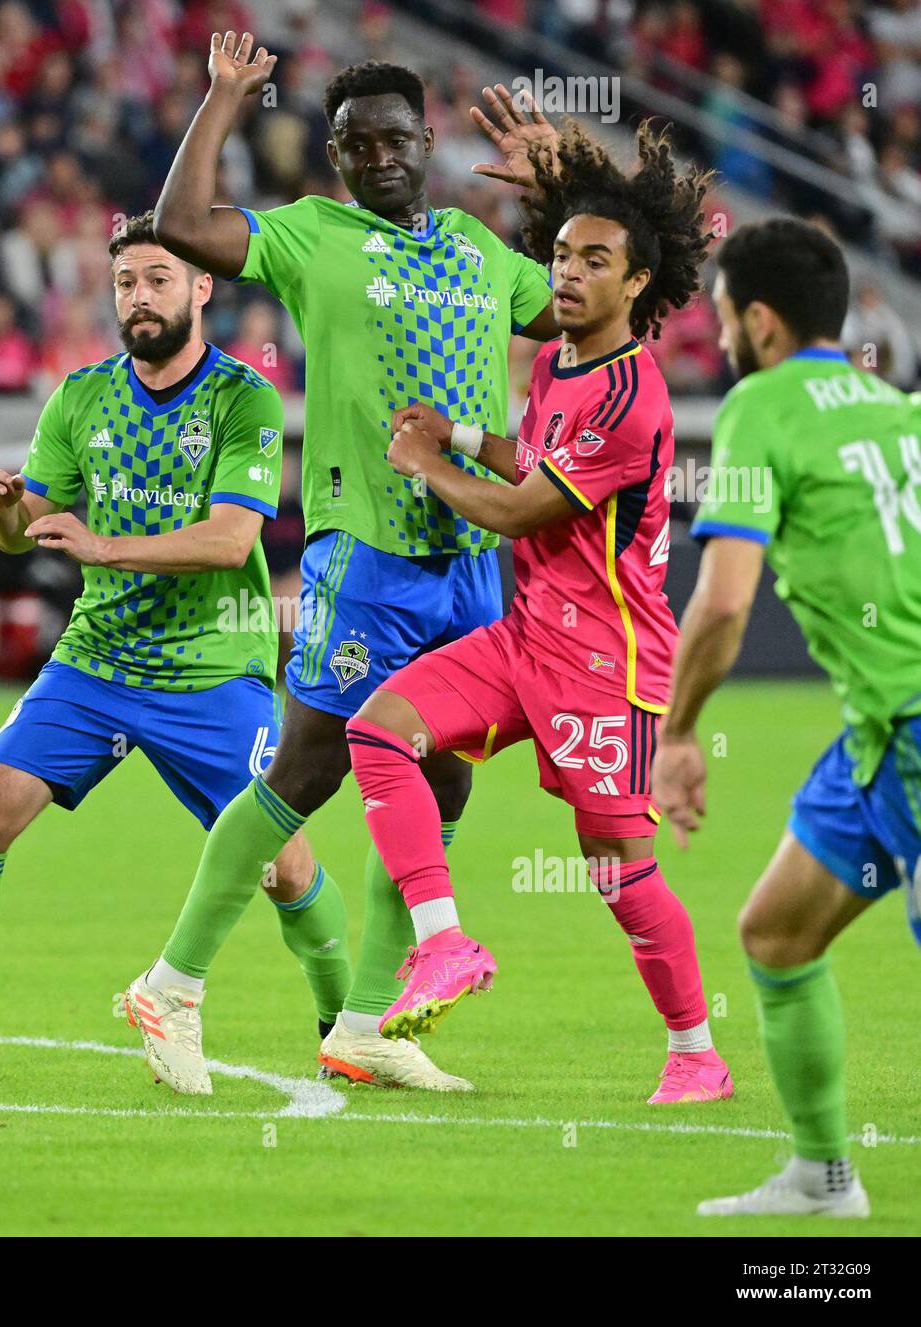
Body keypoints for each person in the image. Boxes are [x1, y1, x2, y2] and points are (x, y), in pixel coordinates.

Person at [0, 213, 349, 1093]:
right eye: (127, 281)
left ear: (202, 287)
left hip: (211, 665)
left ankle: (343, 1022)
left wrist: (104, 547)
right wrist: (5, 512)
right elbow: (31, 533)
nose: (140, 296)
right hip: (98, 658)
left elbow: (226, 539)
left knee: (283, 863)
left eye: (159, 279)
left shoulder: (242, 399)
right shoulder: (81, 396)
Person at [130, 30, 562, 1092]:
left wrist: (560, 183)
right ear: (334, 157)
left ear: (427, 140)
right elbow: (181, 226)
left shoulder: (475, 246)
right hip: (363, 550)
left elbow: (588, 305)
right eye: (352, 144)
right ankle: (171, 984)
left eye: (392, 138)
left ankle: (366, 1022)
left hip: (467, 553)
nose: (374, 158)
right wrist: (225, 97)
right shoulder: (312, 236)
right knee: (312, 765)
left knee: (444, 782)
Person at [345, 122, 734, 1105]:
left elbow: (526, 509)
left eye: (593, 261)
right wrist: (465, 433)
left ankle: (695, 1051)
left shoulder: (630, 395)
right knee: (380, 731)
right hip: (525, 640)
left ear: (638, 282)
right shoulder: (560, 363)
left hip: (608, 667)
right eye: (560, 253)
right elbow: (530, 461)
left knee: (618, 873)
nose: (565, 274)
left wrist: (427, 466)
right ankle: (445, 946)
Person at [653, 219, 921, 1216]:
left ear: (757, 321)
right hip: (877, 732)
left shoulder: (760, 407)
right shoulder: (895, 408)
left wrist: (677, 732)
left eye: (720, 314)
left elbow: (722, 602)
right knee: (773, 932)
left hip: (908, 721)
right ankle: (822, 1177)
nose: (718, 335)